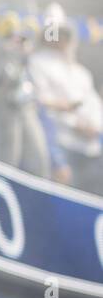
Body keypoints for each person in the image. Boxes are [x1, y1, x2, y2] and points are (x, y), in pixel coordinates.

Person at [27, 23, 103, 192]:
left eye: (65, 36)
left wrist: (95, 127)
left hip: (91, 147)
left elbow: (94, 104)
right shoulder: (38, 62)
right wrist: (75, 124)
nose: (62, 41)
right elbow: (41, 102)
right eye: (57, 35)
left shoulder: (80, 72)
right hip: (62, 142)